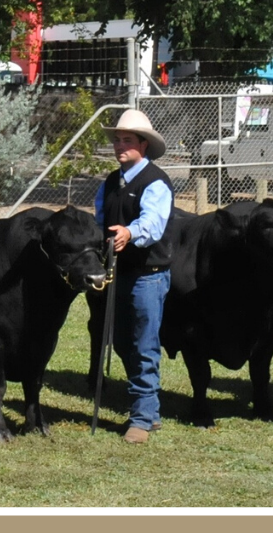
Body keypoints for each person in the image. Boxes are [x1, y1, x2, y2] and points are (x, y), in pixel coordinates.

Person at [91, 109, 173, 444]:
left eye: (127, 140)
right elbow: (99, 216)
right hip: (118, 274)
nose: (120, 146)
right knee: (123, 342)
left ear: (144, 144)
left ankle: (140, 418)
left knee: (143, 345)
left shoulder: (156, 182)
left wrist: (129, 232)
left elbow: (153, 224)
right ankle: (149, 411)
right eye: (117, 140)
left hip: (148, 275)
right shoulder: (111, 182)